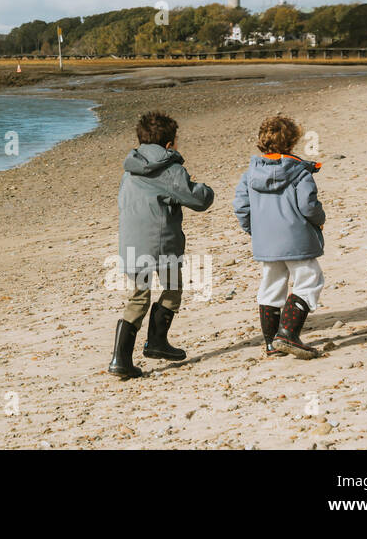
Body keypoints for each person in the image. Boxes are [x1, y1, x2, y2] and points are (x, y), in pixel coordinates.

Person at [108, 111, 214, 379]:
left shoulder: (129, 170)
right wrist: (205, 189)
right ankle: (156, 342)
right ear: (169, 144)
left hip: (131, 243)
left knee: (138, 297)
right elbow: (198, 200)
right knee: (173, 289)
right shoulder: (171, 170)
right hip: (162, 245)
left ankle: (120, 359)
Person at [233, 115, 326, 358]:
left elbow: (241, 208)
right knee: (309, 279)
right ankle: (287, 333)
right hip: (296, 237)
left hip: (267, 241)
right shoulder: (299, 172)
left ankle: (271, 343)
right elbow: (308, 205)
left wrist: (254, 230)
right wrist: (320, 220)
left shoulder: (249, 175)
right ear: (292, 142)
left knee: (271, 284)